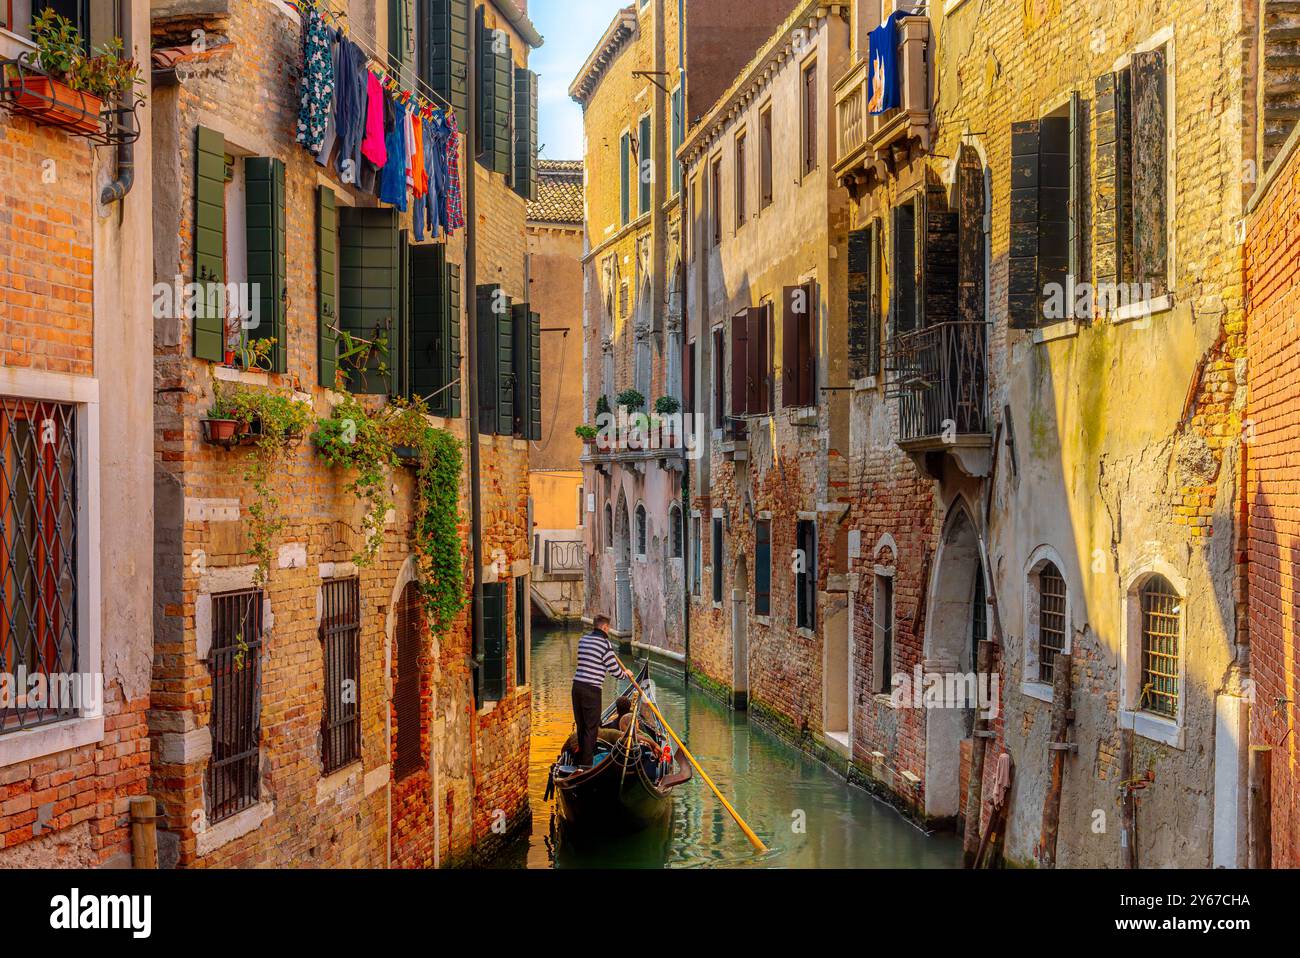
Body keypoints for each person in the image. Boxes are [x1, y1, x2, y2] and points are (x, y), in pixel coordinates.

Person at [572, 614, 625, 766]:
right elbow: (615, 671)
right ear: (605, 627)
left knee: (581, 725)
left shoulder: (583, 640)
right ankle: (587, 765)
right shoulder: (605, 644)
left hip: (576, 687)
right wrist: (626, 674)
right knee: (591, 728)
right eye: (608, 628)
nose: (608, 631)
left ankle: (580, 761)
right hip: (592, 689)